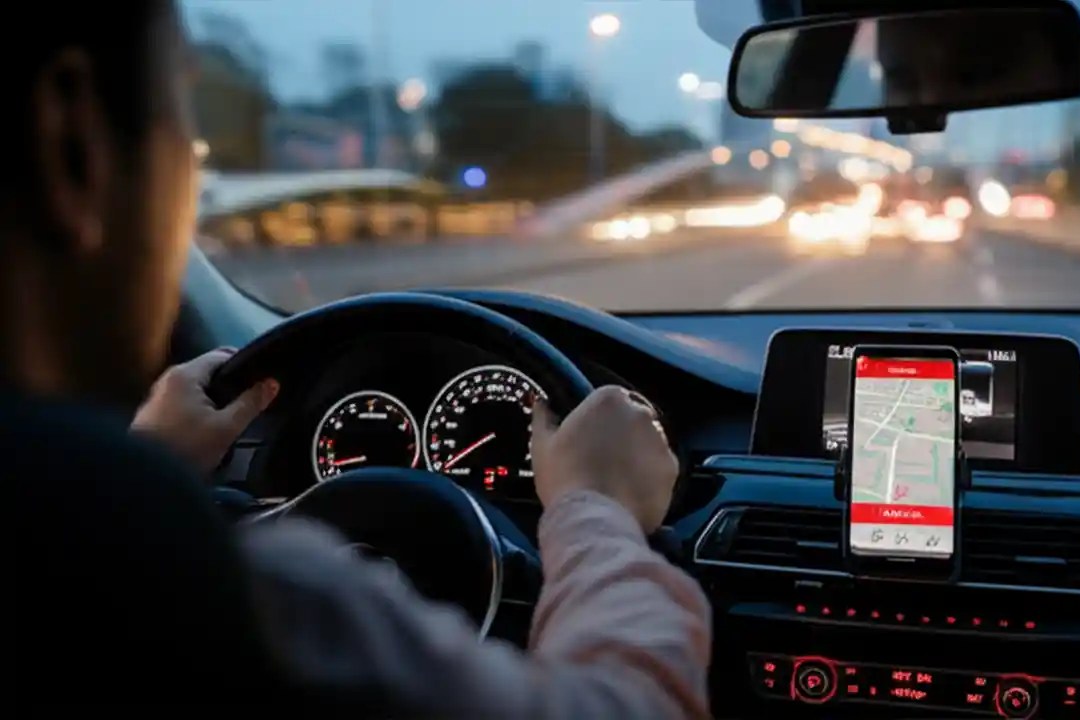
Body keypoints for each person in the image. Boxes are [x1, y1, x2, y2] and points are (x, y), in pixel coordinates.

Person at [7, 2, 710, 715]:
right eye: (185, 114)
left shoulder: (85, 531)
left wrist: (156, 461)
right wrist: (600, 512)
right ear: (71, 138)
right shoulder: (258, 603)